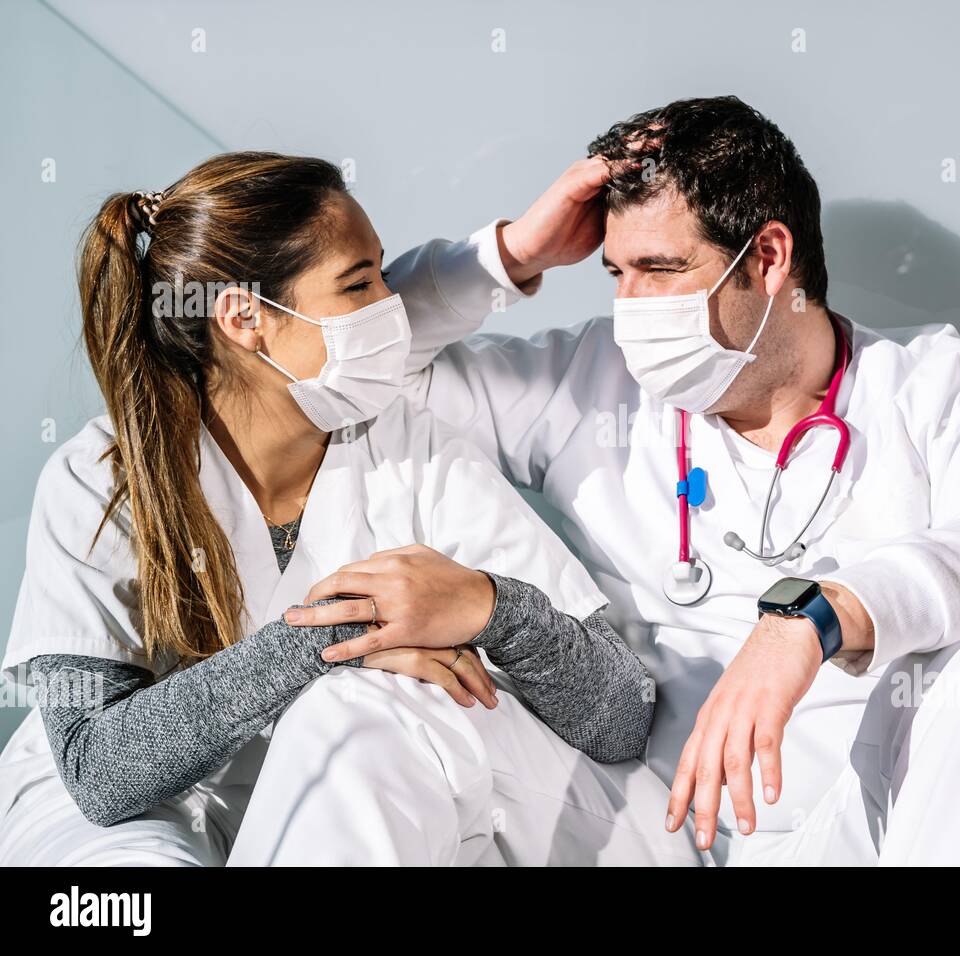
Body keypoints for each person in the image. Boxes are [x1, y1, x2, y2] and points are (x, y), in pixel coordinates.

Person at [293, 96, 960, 865]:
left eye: (658, 268)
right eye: (615, 273)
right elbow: (362, 377)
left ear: (767, 258)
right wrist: (509, 256)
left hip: (871, 826)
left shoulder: (945, 386)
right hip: (644, 831)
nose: (630, 306)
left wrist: (817, 616)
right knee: (379, 709)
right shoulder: (592, 379)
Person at [0, 151, 700, 867]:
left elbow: (620, 714)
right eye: (359, 283)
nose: (392, 310)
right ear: (246, 318)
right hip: (129, 819)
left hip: (336, 798)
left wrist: (493, 608)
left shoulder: (412, 448)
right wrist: (338, 638)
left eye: (384, 275)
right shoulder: (99, 477)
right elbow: (98, 771)